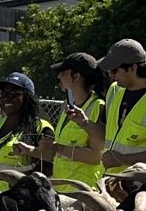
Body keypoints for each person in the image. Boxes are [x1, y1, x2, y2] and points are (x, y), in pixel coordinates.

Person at [96, 38, 146, 170]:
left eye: (114, 71)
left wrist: (122, 159)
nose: (110, 75)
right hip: (109, 183)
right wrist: (83, 122)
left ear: (132, 68)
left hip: (136, 186)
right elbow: (105, 133)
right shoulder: (114, 90)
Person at [42, 54, 106, 191]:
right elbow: (60, 154)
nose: (58, 77)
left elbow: (96, 157)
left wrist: (56, 147)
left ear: (76, 77)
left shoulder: (98, 106)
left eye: (62, 73)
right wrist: (30, 150)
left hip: (84, 194)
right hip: (62, 191)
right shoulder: (67, 104)